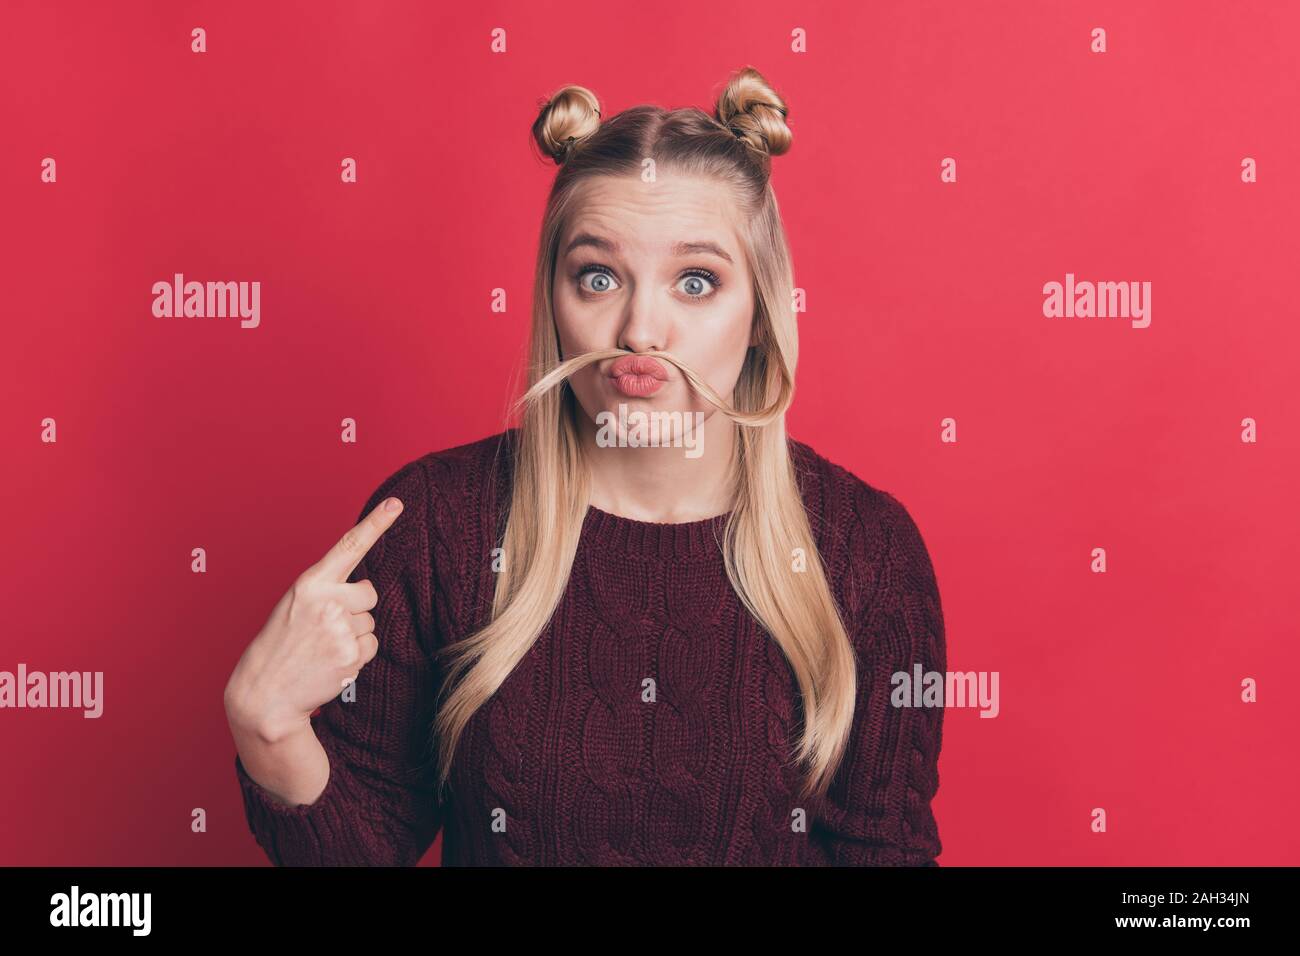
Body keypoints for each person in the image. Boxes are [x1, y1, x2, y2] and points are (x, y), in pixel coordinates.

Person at [223, 65, 947, 866]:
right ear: (553, 296)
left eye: (696, 281)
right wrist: (269, 729)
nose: (640, 330)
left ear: (761, 315)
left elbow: (886, 851)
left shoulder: (865, 552)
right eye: (597, 277)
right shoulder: (436, 526)